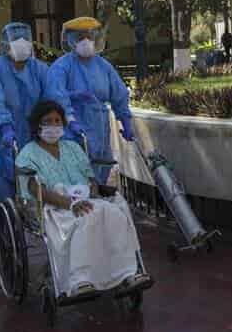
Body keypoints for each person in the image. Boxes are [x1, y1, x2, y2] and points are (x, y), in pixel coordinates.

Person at [16, 100, 149, 296]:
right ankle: (80, 280)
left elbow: (89, 178)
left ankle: (127, 274)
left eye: (57, 121)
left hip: (86, 199)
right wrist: (70, 204)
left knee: (115, 215)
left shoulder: (72, 147)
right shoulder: (28, 153)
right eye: (47, 121)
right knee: (84, 220)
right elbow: (36, 189)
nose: (53, 126)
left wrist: (92, 194)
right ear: (37, 125)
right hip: (54, 206)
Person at [0, 22, 48, 267]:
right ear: (5, 45)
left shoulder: (39, 70)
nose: (22, 44)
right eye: (16, 39)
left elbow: (53, 97)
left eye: (25, 38)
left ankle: (37, 232)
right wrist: (4, 126)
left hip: (28, 137)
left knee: (33, 187)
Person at [45, 17, 134, 184]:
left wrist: (126, 122)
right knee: (75, 172)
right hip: (72, 129)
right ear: (71, 41)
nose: (86, 42)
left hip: (100, 126)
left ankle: (96, 201)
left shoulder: (103, 66)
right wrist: (70, 118)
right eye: (80, 38)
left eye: (90, 37)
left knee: (101, 167)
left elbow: (119, 93)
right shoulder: (62, 66)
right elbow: (55, 95)